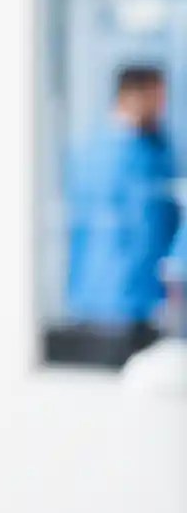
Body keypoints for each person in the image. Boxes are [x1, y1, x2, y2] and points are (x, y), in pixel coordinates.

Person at [66, 64, 180, 326]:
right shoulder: (98, 155)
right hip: (107, 297)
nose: (161, 109)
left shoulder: (156, 151)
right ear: (133, 96)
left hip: (147, 299)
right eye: (156, 99)